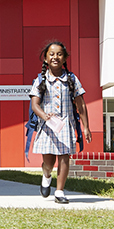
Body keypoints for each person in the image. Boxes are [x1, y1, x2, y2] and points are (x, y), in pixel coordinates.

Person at [29, 39, 90, 204]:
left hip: (66, 125)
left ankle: (60, 191)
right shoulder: (41, 80)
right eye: (52, 54)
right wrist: (44, 115)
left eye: (59, 54)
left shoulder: (71, 79)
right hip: (48, 127)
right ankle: (46, 175)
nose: (55, 57)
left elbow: (81, 104)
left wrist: (86, 127)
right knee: (48, 163)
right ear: (46, 59)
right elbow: (35, 104)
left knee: (64, 158)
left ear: (64, 58)